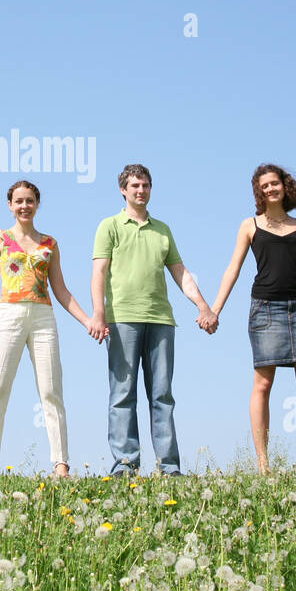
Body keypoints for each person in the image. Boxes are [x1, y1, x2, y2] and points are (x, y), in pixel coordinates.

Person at [0, 181, 103, 479]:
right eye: (18, 201)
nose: (24, 206)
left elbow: (61, 290)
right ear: (10, 204)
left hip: (44, 316)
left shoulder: (50, 243)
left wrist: (88, 321)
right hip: (9, 314)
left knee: (51, 390)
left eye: (30, 201)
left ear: (37, 204)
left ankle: (61, 464)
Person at [210, 164, 296, 474]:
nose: (270, 189)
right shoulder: (250, 225)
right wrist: (214, 310)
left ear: (285, 187)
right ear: (258, 191)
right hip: (265, 309)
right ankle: (263, 463)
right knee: (262, 383)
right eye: (264, 185)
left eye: (275, 183)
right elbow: (232, 269)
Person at [90, 164, 217, 477]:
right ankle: (125, 464)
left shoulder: (162, 230)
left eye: (145, 185)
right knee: (123, 394)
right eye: (134, 186)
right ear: (123, 190)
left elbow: (181, 273)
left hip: (161, 320)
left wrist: (203, 306)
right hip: (121, 320)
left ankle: (169, 466)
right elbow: (99, 272)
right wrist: (98, 314)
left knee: (162, 395)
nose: (140, 191)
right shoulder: (109, 226)